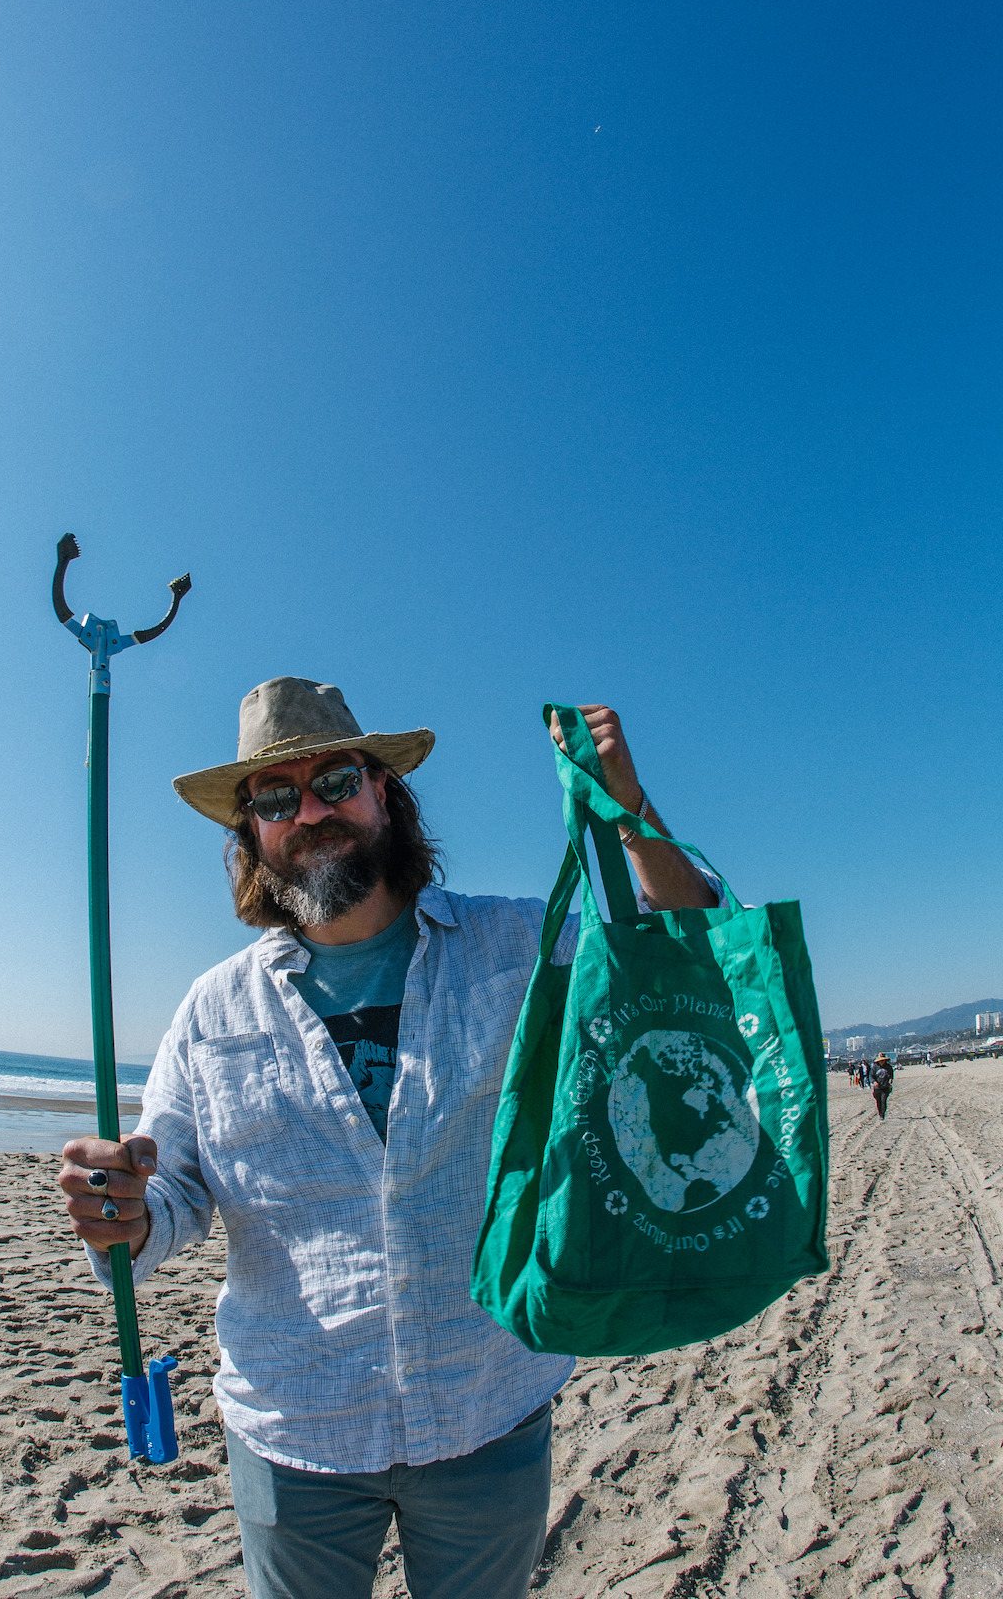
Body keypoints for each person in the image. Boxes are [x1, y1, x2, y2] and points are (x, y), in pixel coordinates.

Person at [59, 679, 724, 1599]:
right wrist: (123, 1217)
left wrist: (628, 810)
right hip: (293, 1432)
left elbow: (688, 943)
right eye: (275, 798)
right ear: (251, 833)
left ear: (386, 793)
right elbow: (169, 1201)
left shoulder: (518, 945)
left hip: (487, 1407)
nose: (310, 810)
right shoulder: (211, 1011)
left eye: (335, 778)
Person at [871, 1052, 894, 1120]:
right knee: (878, 1101)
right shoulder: (875, 1067)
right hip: (877, 1087)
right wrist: (874, 1082)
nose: (882, 1062)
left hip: (885, 1087)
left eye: (883, 1060)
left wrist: (891, 1079)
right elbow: (871, 1076)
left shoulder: (888, 1067)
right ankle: (880, 1113)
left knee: (883, 1100)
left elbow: (891, 1074)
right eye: (881, 1060)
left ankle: (882, 1114)